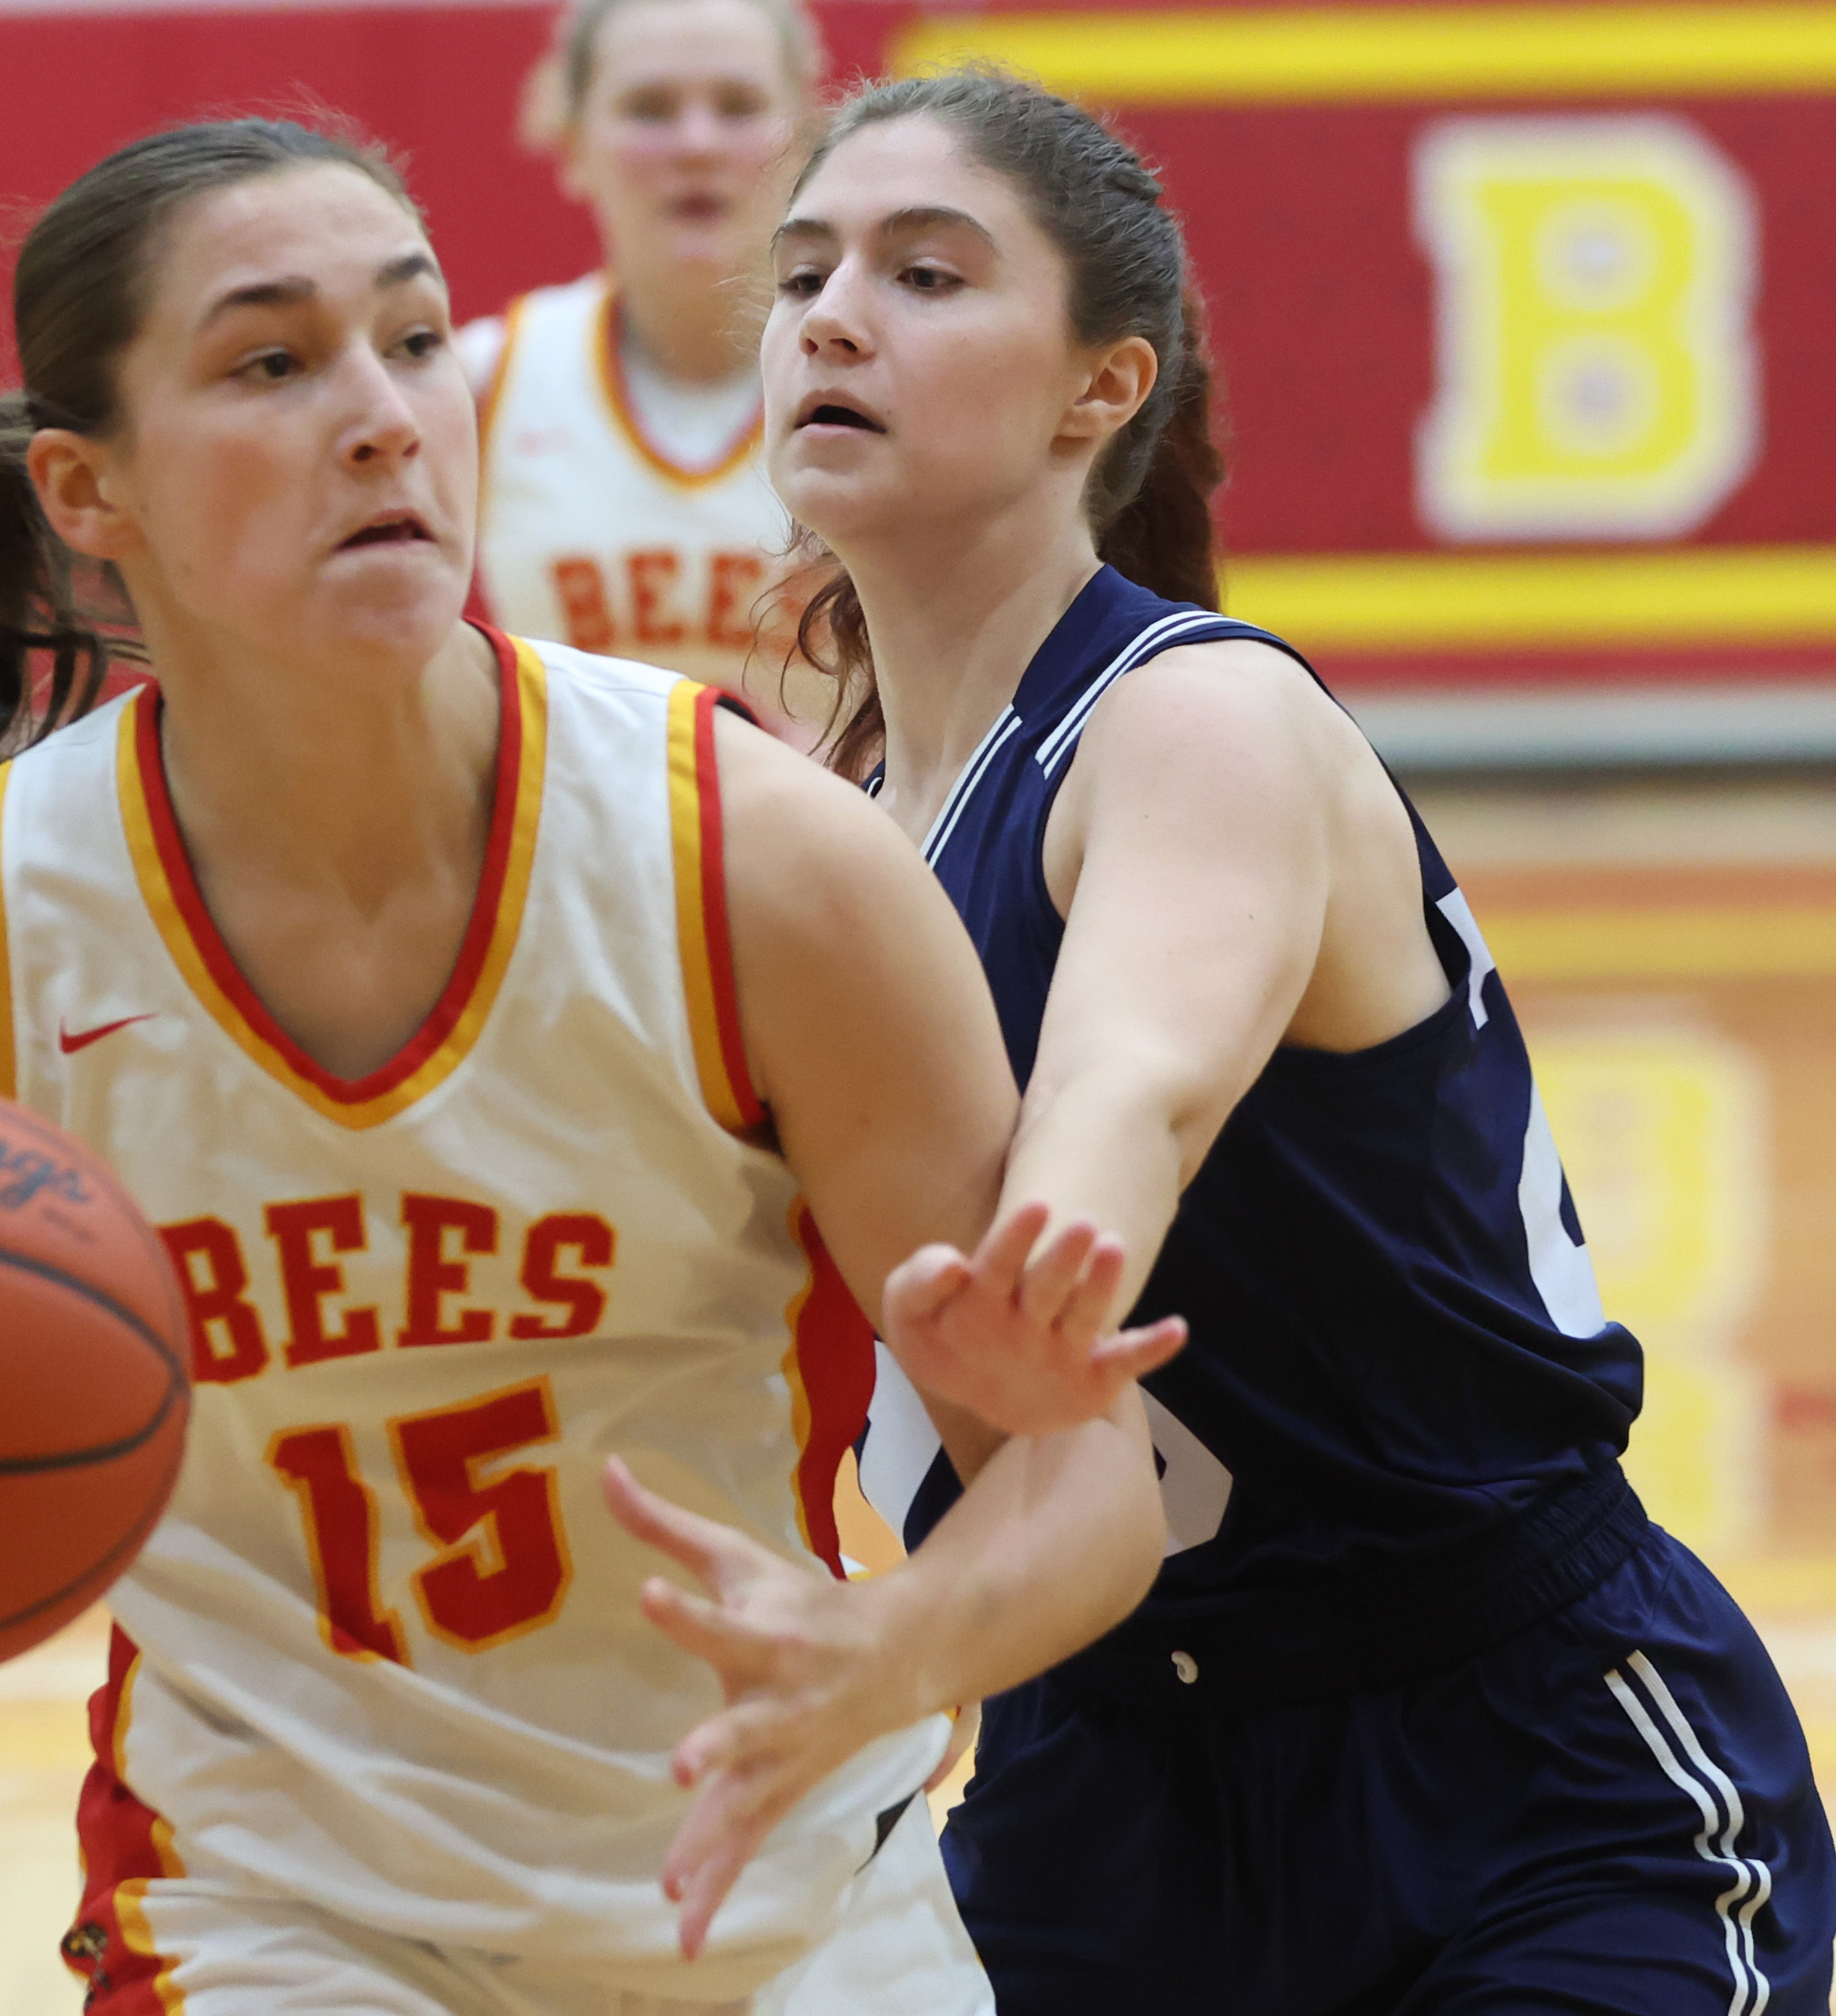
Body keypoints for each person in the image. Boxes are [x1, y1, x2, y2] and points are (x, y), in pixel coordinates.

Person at [0, 118, 1190, 2013]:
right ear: (88, 486)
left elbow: (1079, 1483)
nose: (386, 414)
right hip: (266, 1920)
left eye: (414, 340)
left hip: (795, 1895)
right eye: (270, 363)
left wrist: (890, 1646)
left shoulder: (754, 861)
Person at [758, 66, 1836, 2013]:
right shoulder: (800, 824)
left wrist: (1047, 1272)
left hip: (1514, 1757)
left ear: (1102, 387)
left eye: (923, 274)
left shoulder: (1190, 715)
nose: (830, 314)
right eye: (803, 270)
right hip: (1096, 1779)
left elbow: (1136, 1075)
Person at [463, 0, 821, 734]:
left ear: (808, 141)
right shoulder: (482, 381)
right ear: (571, 144)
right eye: (649, 108)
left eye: (738, 105)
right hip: (572, 847)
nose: (696, 143)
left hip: (849, 844)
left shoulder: (886, 377)